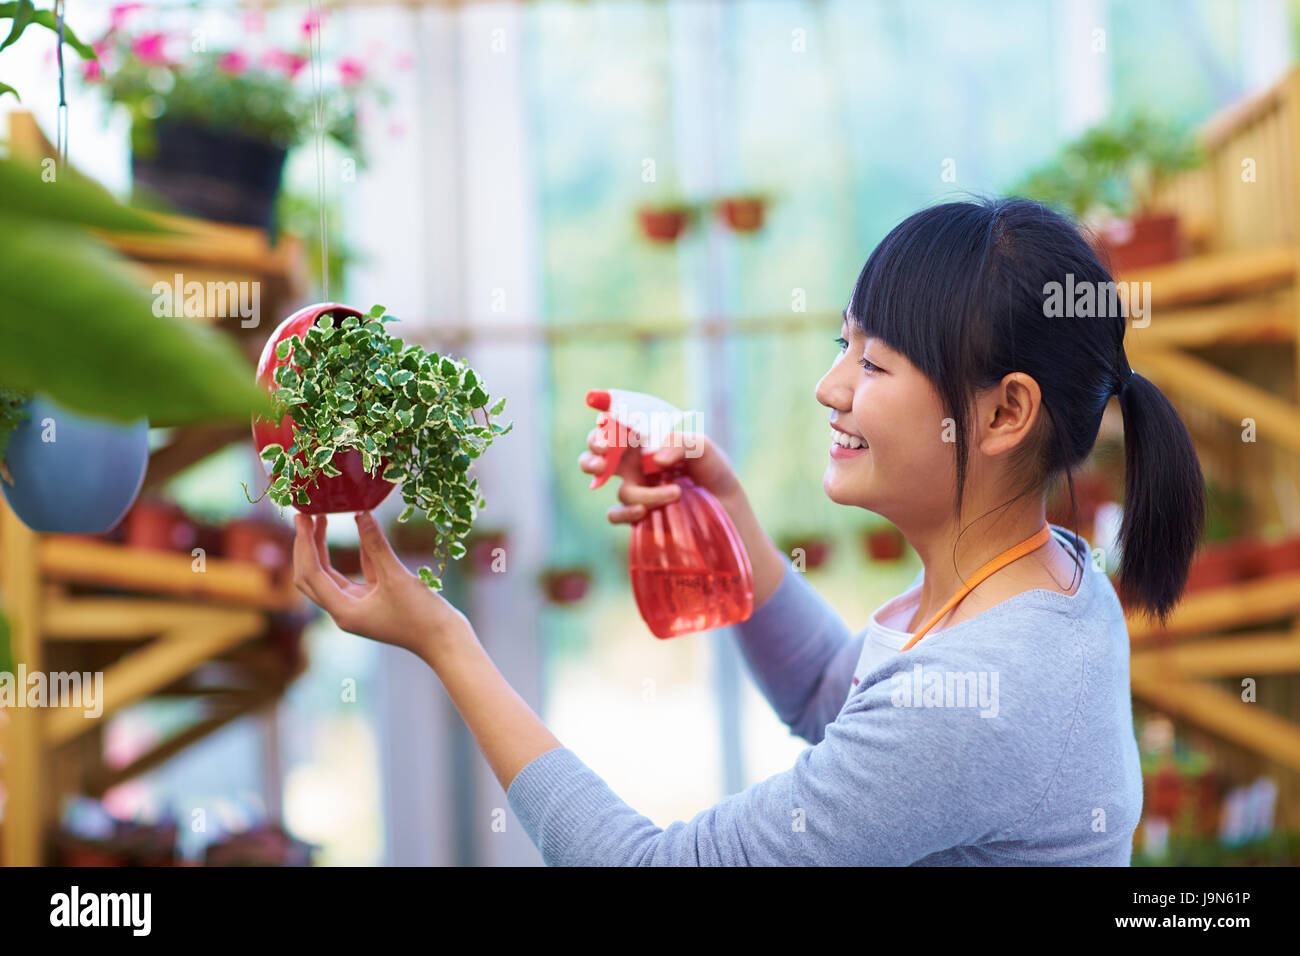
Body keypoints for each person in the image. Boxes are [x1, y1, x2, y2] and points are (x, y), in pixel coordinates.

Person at [291, 196, 1205, 865]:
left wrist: (447, 642)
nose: (832, 387)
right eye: (842, 344)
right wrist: (725, 515)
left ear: (1005, 414)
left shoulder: (985, 690)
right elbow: (827, 694)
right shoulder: (1054, 587)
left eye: (876, 362)